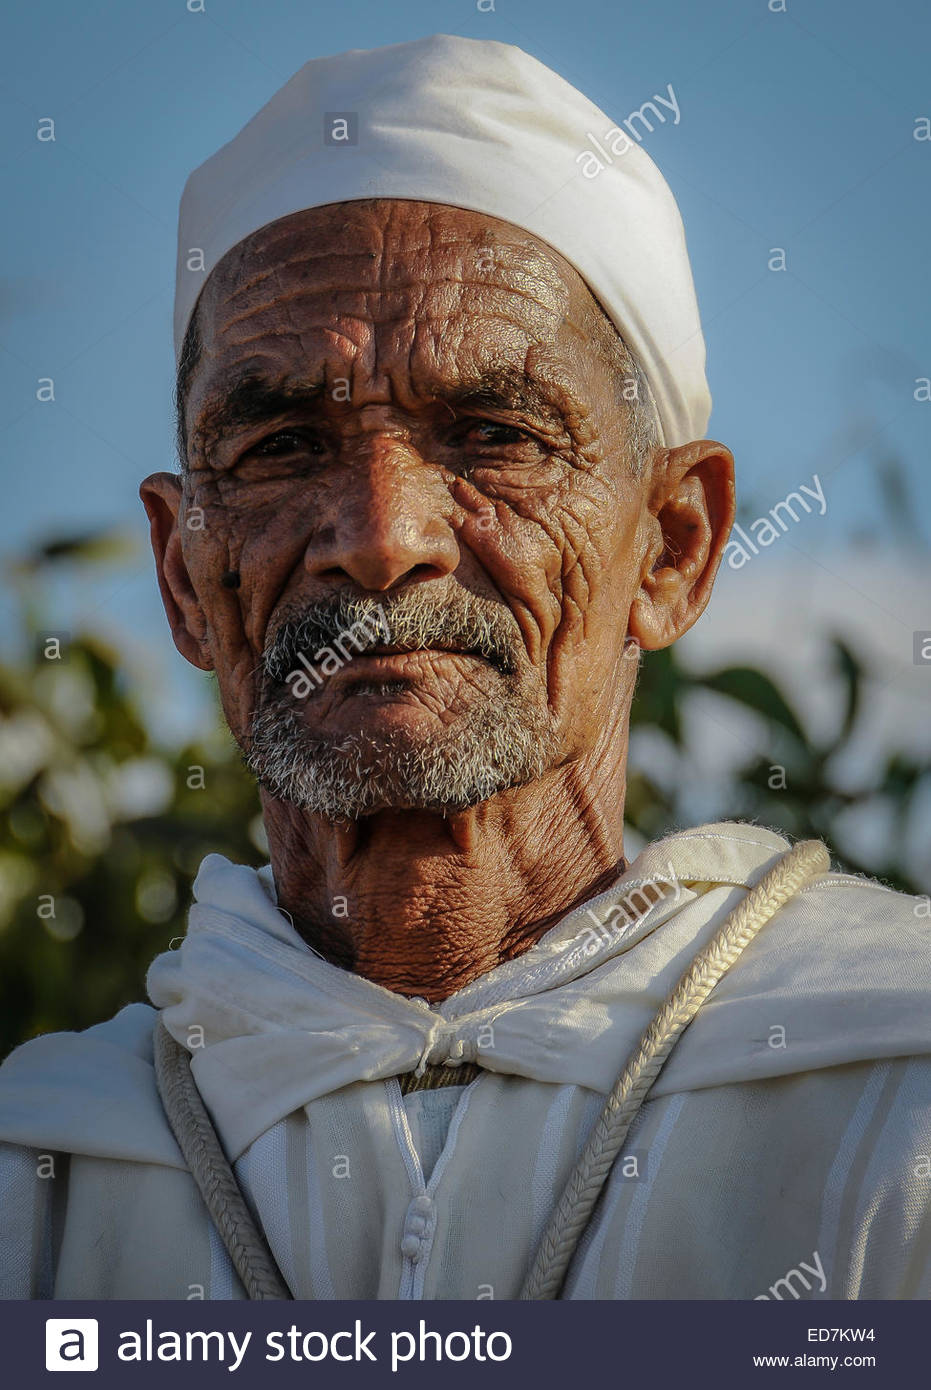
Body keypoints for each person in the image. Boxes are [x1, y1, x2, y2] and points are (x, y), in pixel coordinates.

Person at [2, 33, 929, 1302]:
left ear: (672, 546)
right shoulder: (40, 1169)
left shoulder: (894, 1084)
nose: (383, 537)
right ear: (184, 580)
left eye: (495, 433)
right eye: (279, 445)